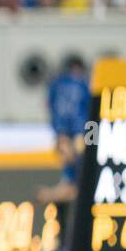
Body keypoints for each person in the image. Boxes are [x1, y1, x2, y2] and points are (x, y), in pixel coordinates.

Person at [39, 58, 90, 203]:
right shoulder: (81, 83)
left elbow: (52, 107)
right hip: (77, 131)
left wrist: (61, 133)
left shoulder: (59, 84)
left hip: (76, 131)